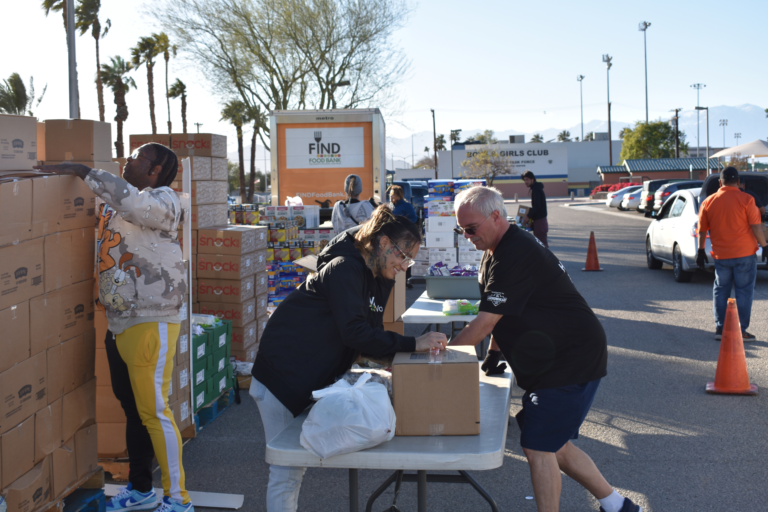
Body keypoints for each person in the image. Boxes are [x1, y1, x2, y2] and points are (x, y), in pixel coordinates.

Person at [449, 186, 642, 512]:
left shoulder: (514, 252)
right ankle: (616, 504)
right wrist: (494, 353)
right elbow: (505, 314)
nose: (467, 236)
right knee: (551, 441)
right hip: (555, 359)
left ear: (496, 217)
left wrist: (436, 359)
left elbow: (484, 322)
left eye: (471, 229)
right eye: (461, 230)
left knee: (538, 445)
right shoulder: (494, 250)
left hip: (571, 358)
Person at [251, 205, 447, 511]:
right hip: (281, 376)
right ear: (383, 243)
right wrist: (412, 343)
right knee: (287, 470)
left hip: (312, 376)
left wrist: (388, 359)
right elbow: (355, 332)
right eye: (403, 256)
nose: (405, 266)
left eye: (410, 260)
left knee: (296, 468)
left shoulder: (379, 274)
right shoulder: (344, 267)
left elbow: (370, 331)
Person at [35, 144, 194, 512]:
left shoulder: (166, 200)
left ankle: (178, 499)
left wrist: (83, 169)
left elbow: (136, 206)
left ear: (154, 171)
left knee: (155, 411)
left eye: (137, 158)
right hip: (121, 320)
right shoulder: (118, 202)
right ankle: (141, 489)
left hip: (151, 319)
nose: (127, 161)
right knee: (134, 409)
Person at [697, 167, 768, 341]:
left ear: (720, 182)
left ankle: (721, 329)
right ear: (738, 182)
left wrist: (700, 250)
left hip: (721, 255)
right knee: (744, 291)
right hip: (745, 254)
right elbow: (755, 226)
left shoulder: (708, 201)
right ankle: (741, 330)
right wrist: (765, 246)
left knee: (721, 290)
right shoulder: (747, 199)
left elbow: (702, 230)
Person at [389, 185, 418, 288]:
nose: (390, 196)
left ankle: (406, 280)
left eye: (392, 194)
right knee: (396, 257)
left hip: (404, 236)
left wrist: (403, 225)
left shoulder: (406, 205)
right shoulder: (392, 206)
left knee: (404, 257)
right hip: (394, 236)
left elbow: (414, 218)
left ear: (398, 195)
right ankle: (396, 279)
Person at [521, 170, 549, 248]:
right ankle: (546, 259)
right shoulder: (536, 188)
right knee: (541, 245)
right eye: (524, 180)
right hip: (540, 221)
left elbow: (537, 206)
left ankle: (548, 260)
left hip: (540, 222)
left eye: (527, 179)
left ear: (532, 179)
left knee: (542, 246)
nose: (525, 182)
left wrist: (527, 216)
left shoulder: (536, 189)